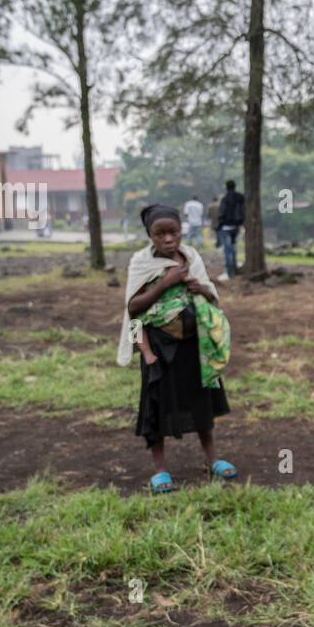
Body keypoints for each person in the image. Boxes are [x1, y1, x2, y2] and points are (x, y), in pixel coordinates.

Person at [117, 204, 236, 493]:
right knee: (157, 406)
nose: (168, 239)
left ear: (181, 231)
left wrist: (202, 289)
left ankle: (212, 460)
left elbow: (211, 294)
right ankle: (160, 471)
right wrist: (165, 283)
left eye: (174, 232)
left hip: (195, 345)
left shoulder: (191, 257)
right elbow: (133, 306)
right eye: (160, 234)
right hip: (158, 347)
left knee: (202, 402)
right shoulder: (141, 263)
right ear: (150, 235)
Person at [216, 179, 244, 279]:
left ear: (226, 187)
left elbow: (222, 213)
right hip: (236, 227)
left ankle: (229, 273)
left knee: (227, 251)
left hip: (226, 227)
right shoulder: (240, 197)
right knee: (233, 249)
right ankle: (234, 269)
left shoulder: (225, 198)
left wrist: (219, 225)